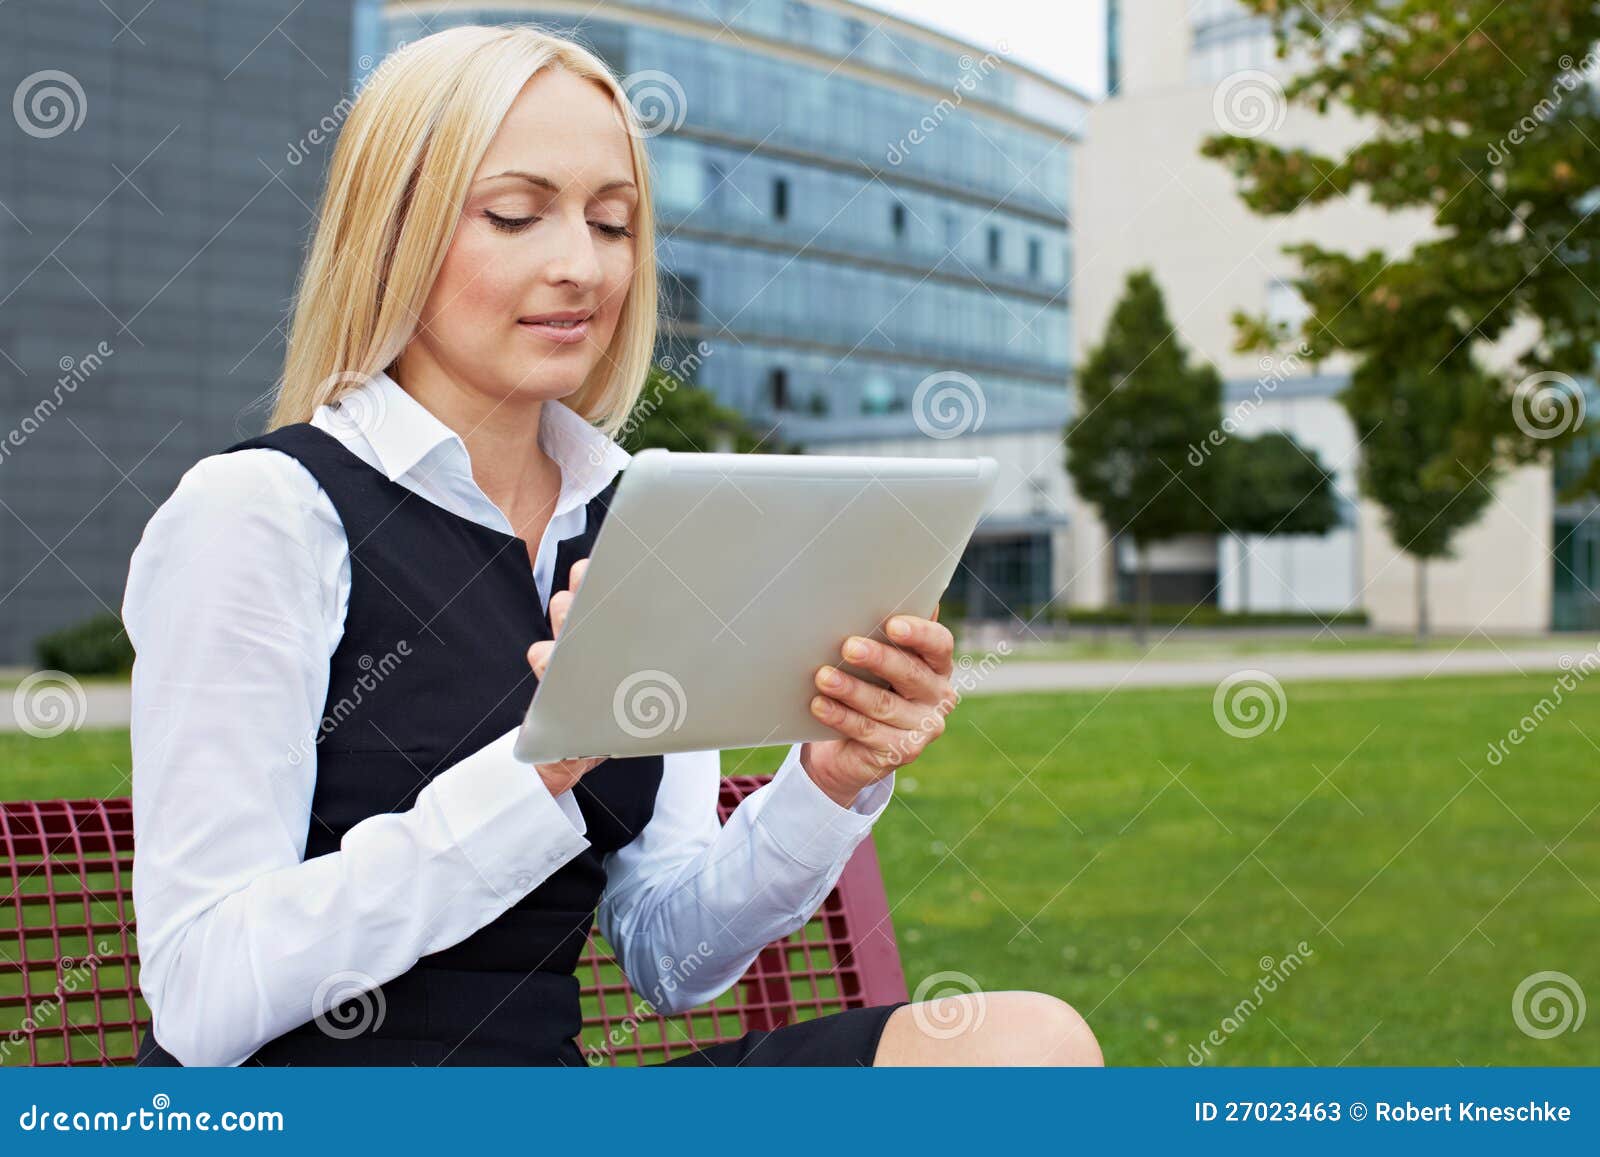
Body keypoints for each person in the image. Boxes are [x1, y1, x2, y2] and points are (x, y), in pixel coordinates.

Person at [123, 23, 1102, 1069]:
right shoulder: (262, 512)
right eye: (515, 213)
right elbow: (201, 995)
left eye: (614, 223)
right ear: (392, 231)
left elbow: (670, 953)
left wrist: (827, 776)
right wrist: (540, 770)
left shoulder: (643, 518)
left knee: (1024, 1046)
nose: (580, 266)